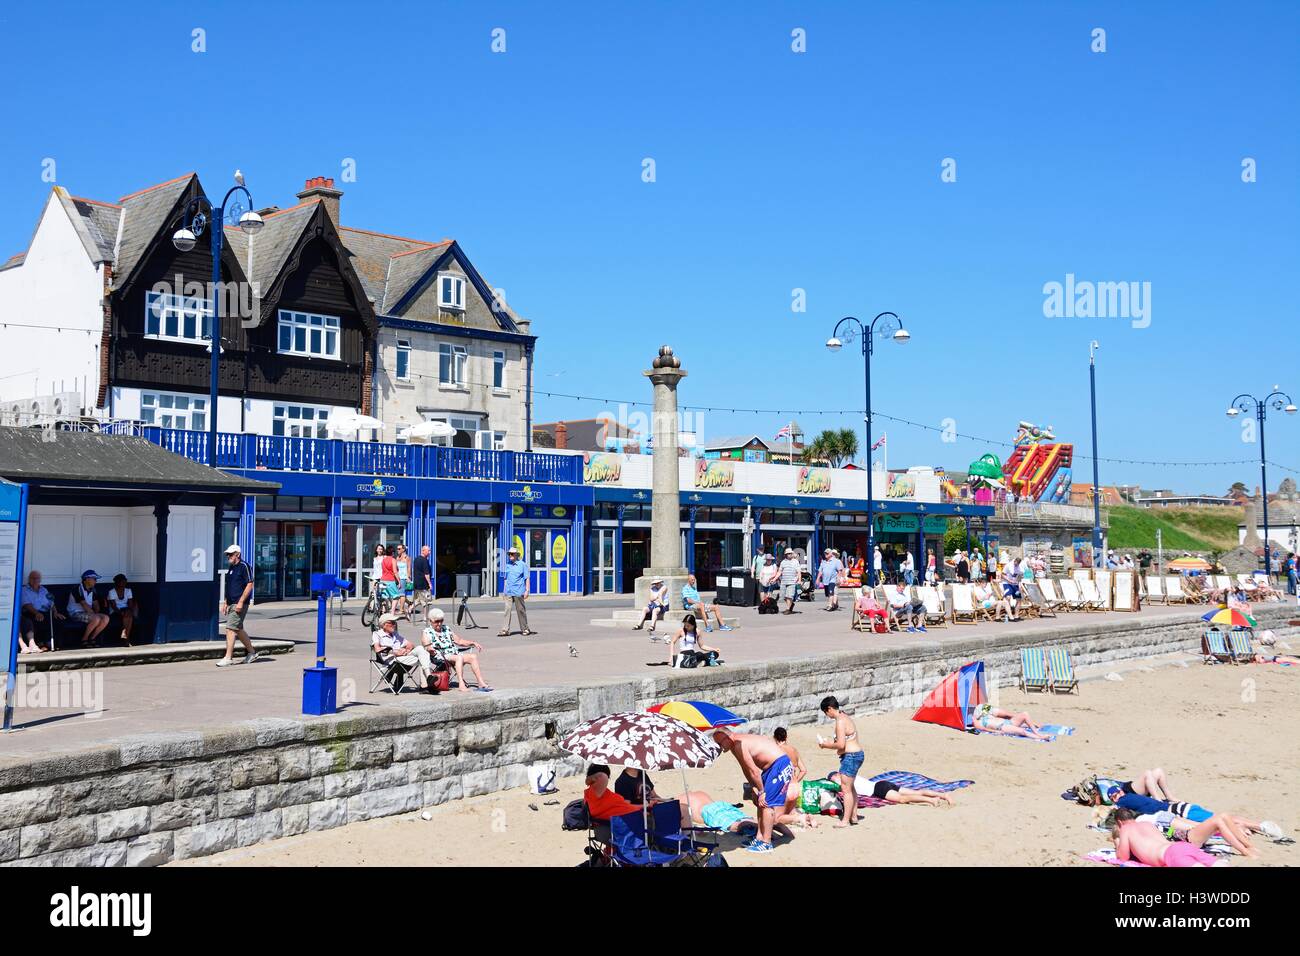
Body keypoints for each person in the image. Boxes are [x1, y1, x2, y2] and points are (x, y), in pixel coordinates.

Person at [712, 728, 792, 853]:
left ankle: (766, 842)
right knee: (760, 803)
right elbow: (746, 769)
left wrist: (761, 791)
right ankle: (759, 838)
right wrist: (754, 788)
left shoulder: (739, 744)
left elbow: (754, 771)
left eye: (719, 743)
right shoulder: (735, 745)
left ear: (727, 738)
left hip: (779, 765)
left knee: (766, 803)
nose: (719, 747)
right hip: (771, 768)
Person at [1110, 809, 1221, 867]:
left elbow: (1122, 857)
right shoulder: (1146, 823)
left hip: (1170, 854)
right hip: (1182, 846)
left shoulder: (1125, 829)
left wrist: (1117, 843)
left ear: (1119, 822)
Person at [817, 696, 865, 827]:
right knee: (851, 787)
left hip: (851, 756)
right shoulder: (845, 716)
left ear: (830, 709)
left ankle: (845, 820)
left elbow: (841, 745)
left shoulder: (840, 721)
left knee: (846, 789)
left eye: (826, 712)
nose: (827, 716)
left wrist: (825, 745)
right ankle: (854, 816)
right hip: (856, 755)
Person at [421, 607, 492, 692]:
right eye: (436, 621)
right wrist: (430, 649)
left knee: (473, 657)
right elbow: (426, 647)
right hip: (440, 656)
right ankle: (461, 684)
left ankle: (480, 682)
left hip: (454, 654)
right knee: (459, 658)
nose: (439, 624)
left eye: (441, 620)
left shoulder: (446, 629)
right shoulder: (427, 632)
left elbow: (459, 641)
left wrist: (473, 643)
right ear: (430, 621)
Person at [218, 546, 262, 667]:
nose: (228, 557)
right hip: (231, 602)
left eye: (230, 554)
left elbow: (250, 584)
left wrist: (241, 602)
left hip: (239, 603)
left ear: (237, 554)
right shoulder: (232, 568)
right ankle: (252, 653)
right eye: (227, 555)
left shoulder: (244, 566)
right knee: (238, 629)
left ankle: (228, 657)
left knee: (230, 628)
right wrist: (225, 602)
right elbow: (230, 586)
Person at [373, 611, 434, 690]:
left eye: (395, 622)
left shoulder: (395, 634)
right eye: (392, 622)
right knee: (422, 658)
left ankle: (429, 677)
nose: (395, 624)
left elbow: (410, 645)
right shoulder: (377, 634)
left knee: (421, 649)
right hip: (391, 660)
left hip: (402, 657)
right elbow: (377, 649)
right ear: (384, 624)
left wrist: (405, 650)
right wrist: (394, 651)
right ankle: (424, 685)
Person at [772, 727, 817, 829]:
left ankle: (803, 817)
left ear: (774, 738)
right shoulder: (794, 750)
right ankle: (808, 817)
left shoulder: (777, 750)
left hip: (784, 788)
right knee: (790, 814)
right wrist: (795, 780)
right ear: (786, 737)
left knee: (777, 818)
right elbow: (804, 770)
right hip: (795, 786)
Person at [583, 764, 651, 821]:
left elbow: (625, 806)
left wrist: (644, 806)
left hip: (630, 815)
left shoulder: (596, 793)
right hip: (627, 821)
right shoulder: (596, 792)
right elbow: (602, 776)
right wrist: (645, 806)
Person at [19, 570, 62, 653]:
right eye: (33, 578)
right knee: (39, 620)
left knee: (58, 620)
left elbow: (51, 602)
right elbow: (26, 605)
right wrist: (36, 613)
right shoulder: (24, 590)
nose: (35, 580)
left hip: (45, 611)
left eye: (37, 578)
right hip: (31, 612)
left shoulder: (44, 589)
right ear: (29, 579)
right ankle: (40, 643)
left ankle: (52, 643)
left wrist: (55, 612)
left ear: (40, 580)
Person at [66, 570, 110, 647]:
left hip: (88, 613)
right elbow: (84, 605)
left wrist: (97, 613)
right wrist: (95, 616)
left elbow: (96, 605)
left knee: (106, 618)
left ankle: (92, 638)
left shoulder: (93, 590)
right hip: (75, 613)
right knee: (96, 619)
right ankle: (84, 639)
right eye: (94, 579)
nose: (96, 581)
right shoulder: (77, 589)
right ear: (86, 579)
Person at [970, 703, 1051, 739]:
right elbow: (982, 729)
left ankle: (1036, 730)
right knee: (1022, 731)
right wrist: (995, 731)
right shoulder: (977, 720)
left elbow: (1002, 713)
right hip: (1002, 727)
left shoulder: (984, 711)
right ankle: (1040, 736)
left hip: (1008, 722)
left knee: (1025, 714)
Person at [859, 777, 957, 807]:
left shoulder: (844, 781)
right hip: (881, 783)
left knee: (902, 799)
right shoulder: (851, 774)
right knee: (917, 792)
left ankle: (932, 800)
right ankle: (943, 795)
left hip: (879, 789)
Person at [499, 545, 532, 636]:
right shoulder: (508, 565)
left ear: (517, 555)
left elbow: (527, 578)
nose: (510, 555)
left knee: (520, 610)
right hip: (509, 591)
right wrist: (504, 591)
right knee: (507, 610)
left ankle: (525, 629)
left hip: (518, 591)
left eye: (512, 554)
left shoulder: (523, 565)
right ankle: (505, 630)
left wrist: (527, 590)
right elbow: (505, 579)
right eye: (509, 554)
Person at [106, 573, 138, 645]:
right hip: (115, 611)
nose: (124, 583)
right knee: (127, 616)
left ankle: (125, 637)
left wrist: (128, 611)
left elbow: (130, 604)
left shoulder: (128, 590)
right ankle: (126, 639)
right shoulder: (111, 592)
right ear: (117, 582)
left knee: (128, 616)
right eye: (122, 581)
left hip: (126, 610)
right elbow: (114, 607)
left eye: (125, 581)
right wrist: (122, 613)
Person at [778, 548, 802, 614]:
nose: (790, 555)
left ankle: (788, 609)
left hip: (792, 581)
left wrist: (799, 580)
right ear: (785, 554)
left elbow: (799, 572)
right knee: (783, 596)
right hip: (784, 581)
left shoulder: (795, 561)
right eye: (788, 554)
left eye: (790, 553)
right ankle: (791, 604)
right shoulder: (783, 562)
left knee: (789, 596)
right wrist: (774, 579)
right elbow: (779, 572)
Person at [393, 543, 412, 618]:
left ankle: (401, 609)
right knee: (398, 593)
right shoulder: (397, 557)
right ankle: (409, 603)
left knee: (402, 594)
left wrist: (408, 577)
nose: (397, 550)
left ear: (403, 549)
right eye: (397, 549)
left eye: (399, 549)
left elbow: (409, 568)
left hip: (403, 577)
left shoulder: (406, 557)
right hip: (398, 577)